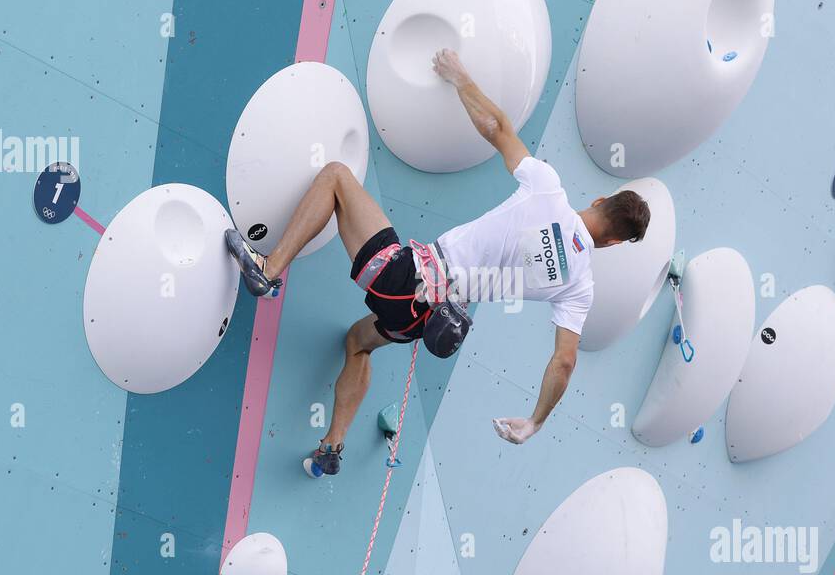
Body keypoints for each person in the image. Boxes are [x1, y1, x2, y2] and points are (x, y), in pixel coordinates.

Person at [227, 48, 650, 477]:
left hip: (403, 277)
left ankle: (268, 269)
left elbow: (497, 127)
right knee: (358, 343)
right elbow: (564, 362)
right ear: (614, 242)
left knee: (336, 175)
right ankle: (331, 446)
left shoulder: (548, 189)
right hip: (421, 322)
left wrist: (459, 76)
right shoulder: (579, 286)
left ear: (599, 201)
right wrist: (534, 422)